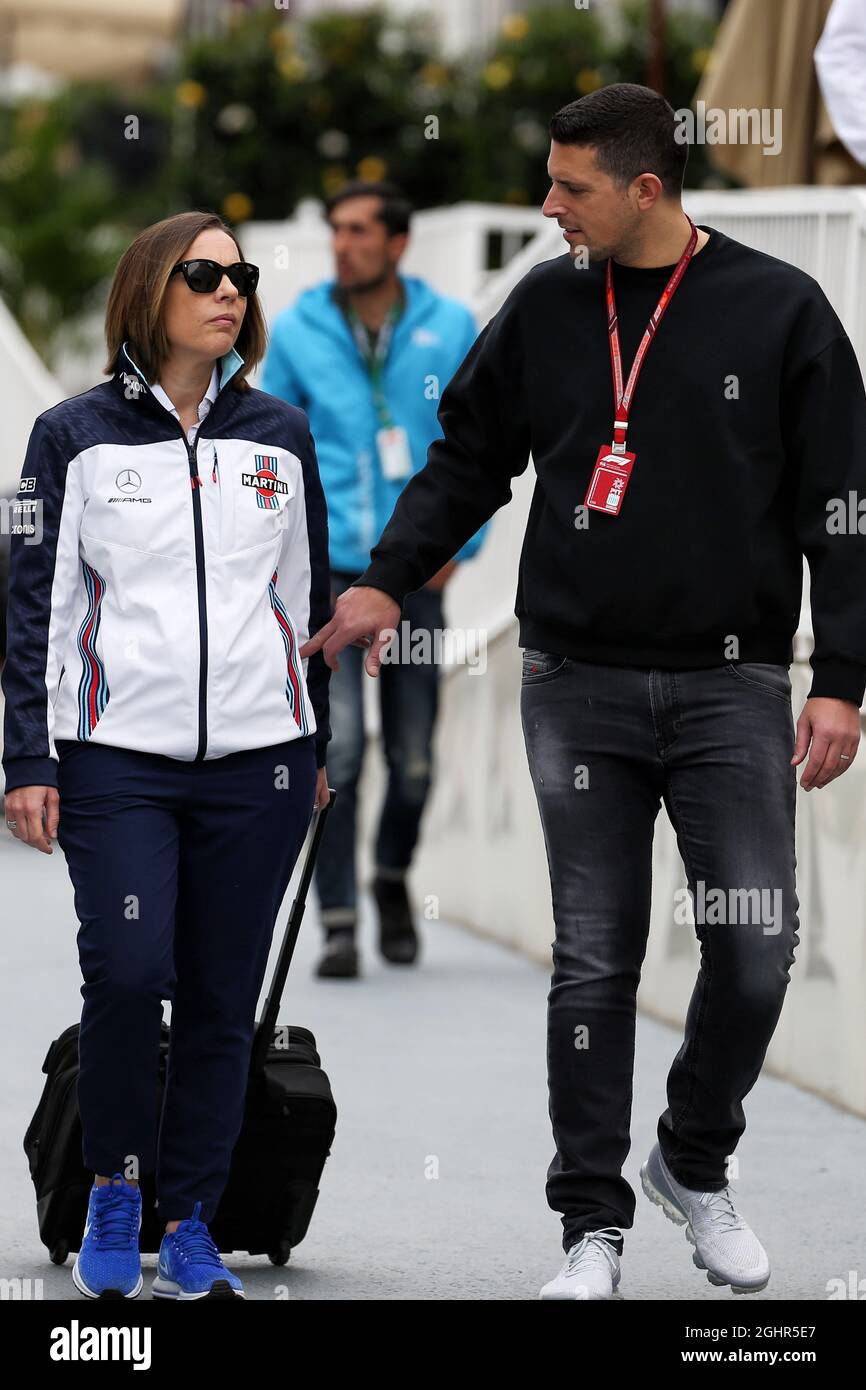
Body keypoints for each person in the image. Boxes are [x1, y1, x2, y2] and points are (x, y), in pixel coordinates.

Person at [300, 84, 866, 1299]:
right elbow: (466, 459)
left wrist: (845, 680)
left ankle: (690, 1160)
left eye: (570, 187)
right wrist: (388, 584)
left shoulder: (779, 309)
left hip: (732, 683)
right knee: (595, 961)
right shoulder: (549, 305)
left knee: (756, 946)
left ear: (645, 189)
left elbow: (840, 507)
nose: (547, 206)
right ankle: (588, 1230)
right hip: (573, 680)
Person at [2, 210, 331, 1300]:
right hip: (116, 761)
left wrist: (310, 739)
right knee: (131, 973)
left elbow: (304, 603)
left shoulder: (279, 434)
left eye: (240, 275)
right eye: (203, 273)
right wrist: (27, 757)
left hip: (259, 764)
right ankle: (112, 1186)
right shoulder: (69, 435)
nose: (228, 291)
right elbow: (30, 607)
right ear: (149, 289)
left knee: (219, 995)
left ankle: (190, 1218)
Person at [261, 180, 486, 979]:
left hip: (417, 575)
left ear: (397, 242)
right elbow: (269, 449)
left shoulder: (450, 325)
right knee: (342, 748)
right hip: (330, 574)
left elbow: (478, 447)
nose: (343, 244)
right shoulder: (299, 328)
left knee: (417, 757)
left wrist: (467, 541)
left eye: (360, 231)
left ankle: (391, 879)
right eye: (336, 231)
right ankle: (339, 921)